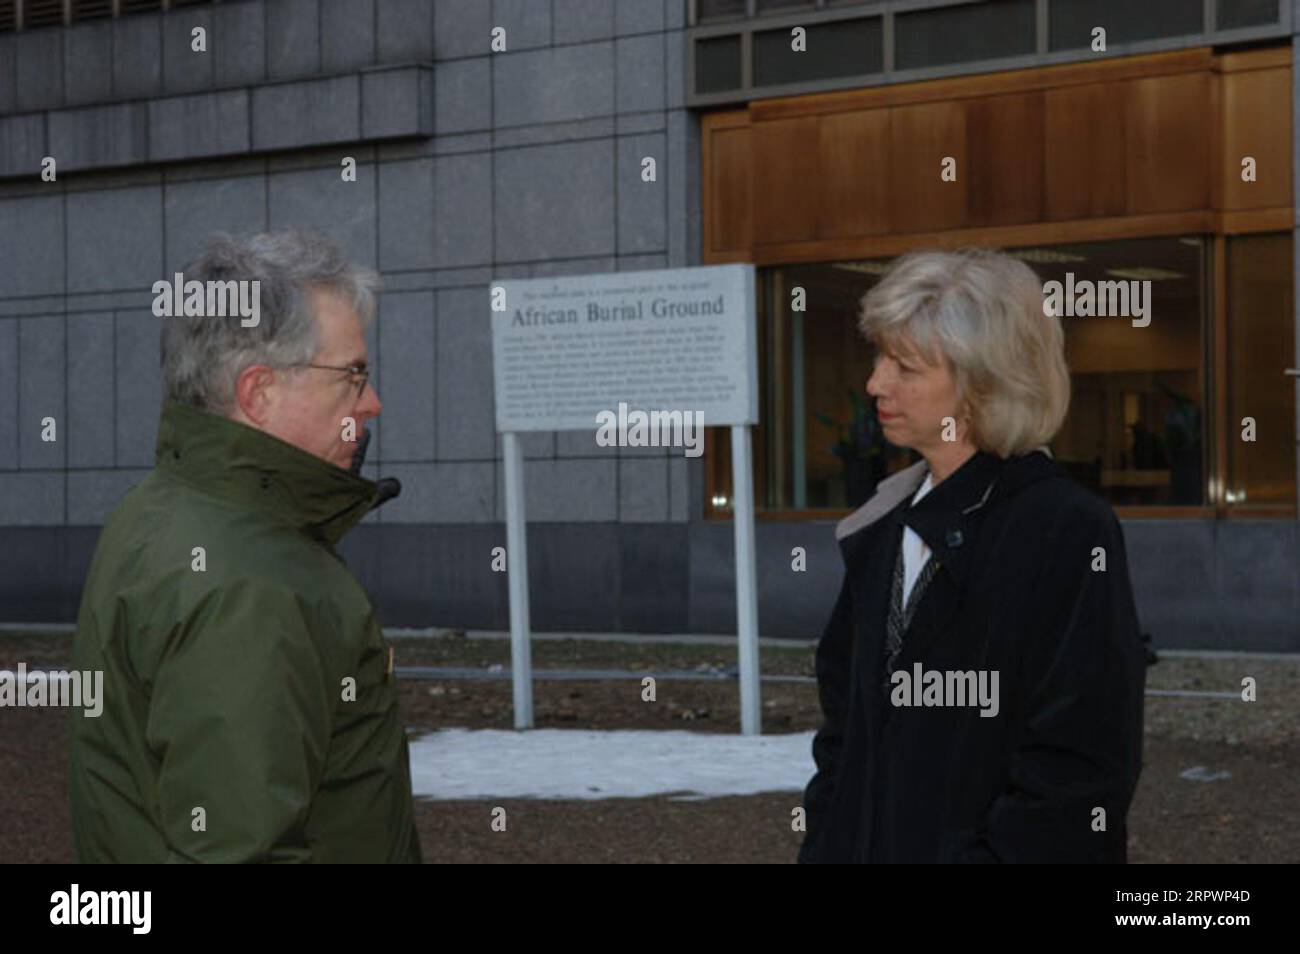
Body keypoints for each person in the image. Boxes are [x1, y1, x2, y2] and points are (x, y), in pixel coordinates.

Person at [69, 231, 421, 863]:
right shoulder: (249, 583)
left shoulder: (164, 510)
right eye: (353, 376)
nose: (372, 403)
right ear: (259, 393)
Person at [798, 248, 1146, 863]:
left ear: (981, 384)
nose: (876, 383)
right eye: (880, 357)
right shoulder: (884, 524)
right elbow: (844, 740)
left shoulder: (1064, 531)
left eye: (905, 366)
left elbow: (1077, 769)